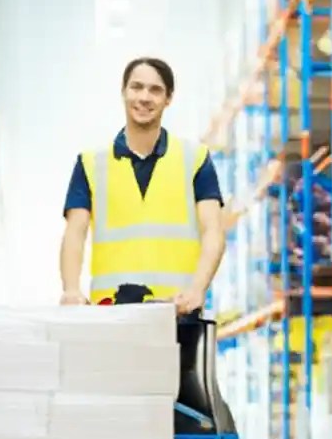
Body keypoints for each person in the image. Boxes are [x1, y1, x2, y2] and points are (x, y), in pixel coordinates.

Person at [58, 57, 226, 314]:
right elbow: (75, 232)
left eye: (155, 90)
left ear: (168, 98)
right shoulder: (91, 163)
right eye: (136, 87)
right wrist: (70, 289)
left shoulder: (195, 159)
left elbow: (213, 231)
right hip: (111, 312)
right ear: (123, 92)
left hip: (178, 313)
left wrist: (197, 289)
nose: (145, 97)